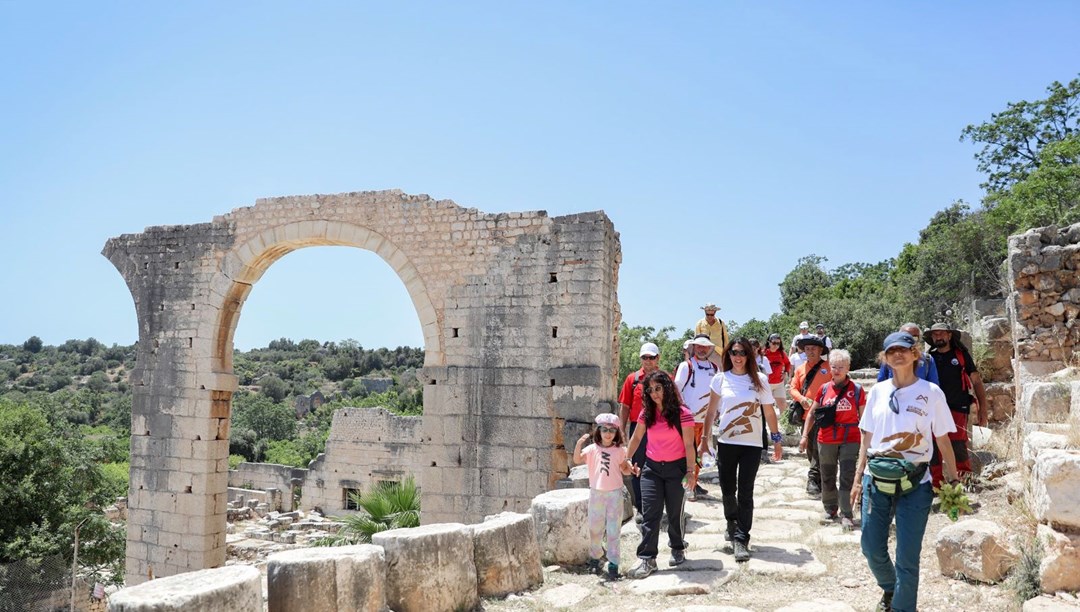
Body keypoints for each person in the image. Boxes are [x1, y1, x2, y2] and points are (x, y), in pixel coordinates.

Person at [852, 331, 958, 612]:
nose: (897, 354)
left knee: (907, 558)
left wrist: (954, 477)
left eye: (904, 349)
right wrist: (857, 478)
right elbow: (867, 437)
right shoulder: (878, 391)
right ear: (884, 358)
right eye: (891, 351)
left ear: (915, 354)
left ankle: (902, 606)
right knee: (871, 548)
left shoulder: (931, 392)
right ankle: (890, 588)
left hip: (916, 482)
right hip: (876, 479)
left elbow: (943, 438)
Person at [701, 337, 783, 562]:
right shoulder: (720, 379)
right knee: (728, 490)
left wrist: (776, 439)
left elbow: (769, 412)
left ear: (750, 356)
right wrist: (704, 440)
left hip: (752, 445)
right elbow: (710, 412)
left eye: (742, 353)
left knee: (746, 492)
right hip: (727, 442)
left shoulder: (760, 380)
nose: (738, 357)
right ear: (728, 355)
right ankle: (731, 522)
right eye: (734, 352)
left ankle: (741, 538)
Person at [625, 371, 696, 578]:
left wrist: (691, 471)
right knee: (650, 514)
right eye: (650, 390)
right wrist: (627, 459)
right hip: (651, 470)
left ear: (667, 388)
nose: (654, 393)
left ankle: (677, 546)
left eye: (658, 388)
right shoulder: (646, 413)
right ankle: (648, 559)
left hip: (677, 469)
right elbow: (637, 438)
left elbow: (689, 444)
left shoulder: (683, 413)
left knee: (674, 513)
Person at [799, 348, 864, 530]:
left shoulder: (857, 391)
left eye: (841, 366)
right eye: (834, 366)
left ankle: (846, 513)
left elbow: (864, 418)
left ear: (848, 367)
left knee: (846, 476)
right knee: (827, 475)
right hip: (826, 439)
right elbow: (812, 414)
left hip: (850, 439)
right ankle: (830, 508)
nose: (836, 370)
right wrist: (804, 436)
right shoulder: (824, 389)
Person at [924, 322, 988, 486]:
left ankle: (965, 482)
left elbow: (976, 382)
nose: (938, 336)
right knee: (933, 447)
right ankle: (936, 484)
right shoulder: (928, 359)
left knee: (958, 444)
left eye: (942, 333)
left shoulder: (961, 355)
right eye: (935, 334)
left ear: (949, 335)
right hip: (933, 409)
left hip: (958, 407)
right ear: (932, 337)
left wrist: (983, 410)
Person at [573, 413, 632, 580]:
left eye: (612, 430)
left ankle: (613, 564)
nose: (608, 433)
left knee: (614, 530)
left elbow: (625, 469)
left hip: (614, 494)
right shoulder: (592, 450)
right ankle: (596, 558)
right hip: (596, 493)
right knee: (595, 528)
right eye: (604, 429)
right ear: (598, 431)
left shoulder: (620, 451)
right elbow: (577, 459)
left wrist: (632, 468)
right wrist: (579, 443)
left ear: (616, 433)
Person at [618, 342, 662, 516]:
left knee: (660, 465)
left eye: (651, 357)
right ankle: (641, 508)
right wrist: (621, 428)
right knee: (637, 466)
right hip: (638, 428)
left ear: (657, 358)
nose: (648, 361)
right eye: (645, 357)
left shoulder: (665, 378)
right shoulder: (633, 379)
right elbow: (625, 406)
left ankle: (656, 505)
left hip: (659, 428)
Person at [673, 334, 718, 500]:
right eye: (699, 346)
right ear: (693, 347)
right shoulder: (686, 366)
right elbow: (676, 389)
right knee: (686, 453)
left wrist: (718, 410)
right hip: (687, 420)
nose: (701, 349)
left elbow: (717, 392)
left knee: (700, 453)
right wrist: (683, 408)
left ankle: (693, 483)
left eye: (705, 346)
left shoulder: (714, 368)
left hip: (706, 419)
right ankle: (685, 486)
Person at [789, 336, 831, 497]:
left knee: (820, 448)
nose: (810, 351)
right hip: (806, 416)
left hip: (825, 415)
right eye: (807, 349)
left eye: (813, 348)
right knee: (811, 450)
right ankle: (818, 477)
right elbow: (793, 388)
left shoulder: (828, 367)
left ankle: (813, 479)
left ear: (821, 350)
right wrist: (801, 399)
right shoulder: (800, 369)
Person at [694, 303, 729, 368]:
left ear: (715, 313)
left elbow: (725, 338)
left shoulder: (721, 323)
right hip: (705, 354)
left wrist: (727, 353)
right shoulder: (699, 323)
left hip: (718, 353)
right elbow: (696, 341)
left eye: (712, 315)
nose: (710, 316)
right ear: (705, 313)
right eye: (708, 314)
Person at [763, 333, 792, 411]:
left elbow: (788, 363)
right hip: (766, 384)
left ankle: (784, 422)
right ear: (769, 342)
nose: (776, 345)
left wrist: (785, 372)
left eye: (778, 343)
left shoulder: (781, 353)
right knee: (766, 408)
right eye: (774, 343)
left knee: (783, 405)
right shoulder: (763, 353)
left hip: (779, 383)